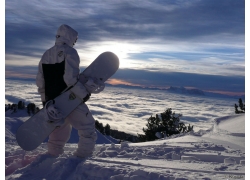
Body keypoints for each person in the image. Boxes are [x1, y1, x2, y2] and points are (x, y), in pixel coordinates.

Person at [36, 24, 99, 158]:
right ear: (70, 37)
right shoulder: (70, 52)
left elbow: (41, 82)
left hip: (53, 102)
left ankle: (52, 157)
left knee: (59, 133)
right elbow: (70, 78)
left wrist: (46, 102)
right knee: (88, 128)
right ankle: (81, 159)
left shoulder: (46, 54)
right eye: (75, 39)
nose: (75, 42)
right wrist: (84, 93)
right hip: (69, 98)